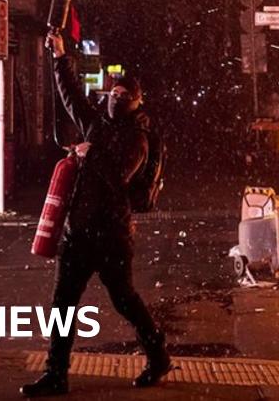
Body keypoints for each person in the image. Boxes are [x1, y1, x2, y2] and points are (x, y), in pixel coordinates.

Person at [21, 31, 171, 397]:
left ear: (137, 102)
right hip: (79, 232)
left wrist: (91, 155)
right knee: (62, 304)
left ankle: (158, 355)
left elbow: (119, 175)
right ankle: (56, 373)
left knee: (124, 299)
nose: (115, 100)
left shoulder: (137, 136)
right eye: (113, 94)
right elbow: (71, 95)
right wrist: (59, 57)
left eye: (124, 97)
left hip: (112, 235)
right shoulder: (97, 123)